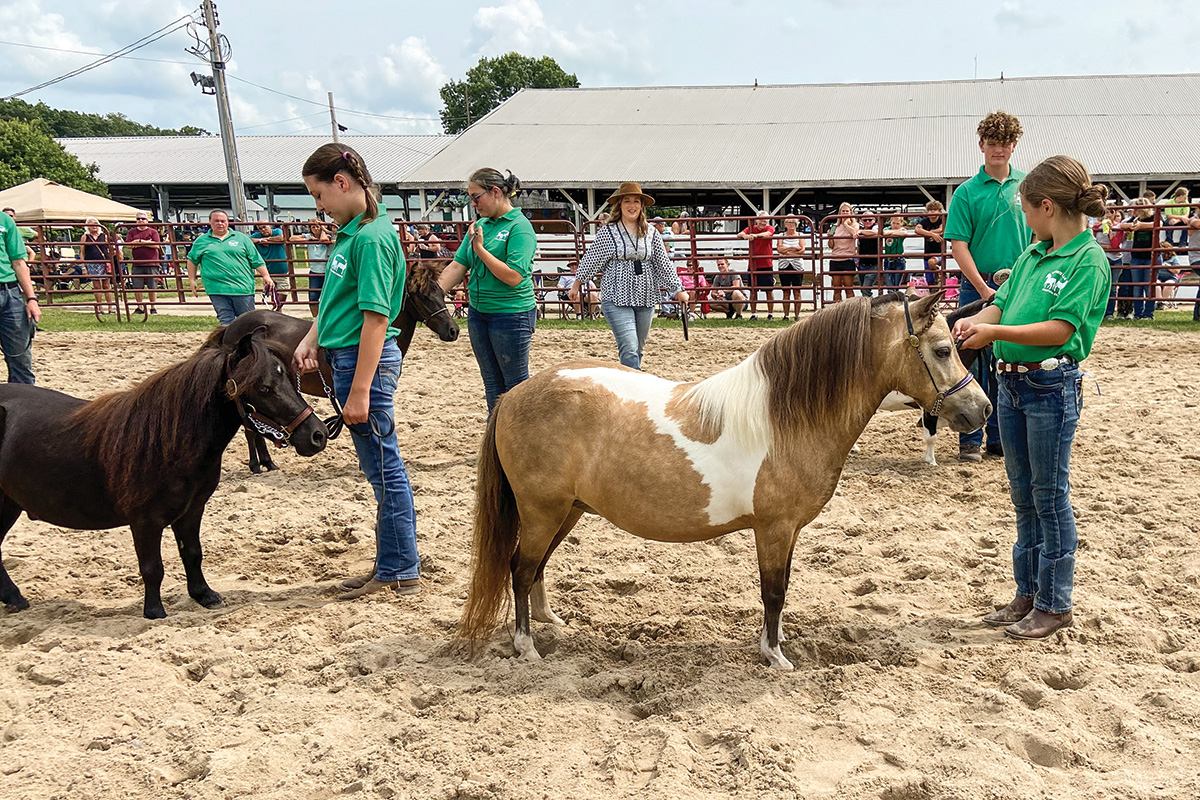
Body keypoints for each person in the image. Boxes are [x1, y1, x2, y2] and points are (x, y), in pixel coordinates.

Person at [953, 155, 1111, 640]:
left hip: (1049, 387)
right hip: (1015, 384)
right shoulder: (1032, 254)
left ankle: (1054, 603)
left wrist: (994, 329)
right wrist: (981, 319)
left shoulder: (1087, 260)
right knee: (1025, 495)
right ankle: (1028, 593)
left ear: (1047, 206)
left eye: (1025, 209)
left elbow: (1060, 329)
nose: (1023, 218)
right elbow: (1004, 299)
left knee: (1049, 495)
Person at [293, 143, 419, 601]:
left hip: (364, 362)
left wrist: (361, 389)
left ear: (342, 183)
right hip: (348, 357)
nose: (318, 206)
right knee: (379, 468)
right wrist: (312, 337)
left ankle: (400, 568)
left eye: (318, 194)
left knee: (385, 469)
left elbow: (376, 319)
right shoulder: (353, 233)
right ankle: (391, 565)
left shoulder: (370, 238)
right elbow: (337, 301)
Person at [944, 110, 1030, 463]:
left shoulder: (1028, 186)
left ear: (1014, 145)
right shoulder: (967, 192)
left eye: (1005, 143)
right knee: (973, 363)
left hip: (1021, 284)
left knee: (1012, 360)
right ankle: (971, 438)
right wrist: (982, 289)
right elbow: (959, 244)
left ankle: (1001, 437)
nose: (999, 150)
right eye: (993, 143)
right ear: (981, 145)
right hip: (978, 286)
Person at [438, 168, 537, 414]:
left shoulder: (520, 227)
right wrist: (433, 294)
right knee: (491, 382)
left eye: (476, 197)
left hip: (512, 314)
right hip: (480, 313)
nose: (473, 204)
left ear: (495, 192)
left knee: (515, 384)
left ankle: (516, 442)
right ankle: (496, 441)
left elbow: (514, 277)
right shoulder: (481, 225)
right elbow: (459, 264)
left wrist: (480, 250)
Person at [571, 182, 687, 369]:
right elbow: (592, 258)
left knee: (638, 348)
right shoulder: (608, 232)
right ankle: (634, 390)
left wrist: (678, 289)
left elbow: (662, 263)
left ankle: (630, 382)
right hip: (616, 296)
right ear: (620, 205)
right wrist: (577, 283)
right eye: (627, 201)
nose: (632, 205)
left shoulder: (651, 232)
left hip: (646, 295)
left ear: (641, 206)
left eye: (636, 201)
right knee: (630, 348)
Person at [186, 210, 275, 324]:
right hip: (216, 288)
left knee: (246, 322)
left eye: (223, 221)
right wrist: (192, 279)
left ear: (228, 222)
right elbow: (192, 260)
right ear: (210, 222)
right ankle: (228, 342)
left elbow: (256, 260)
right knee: (225, 321)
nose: (220, 223)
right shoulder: (201, 241)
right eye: (216, 221)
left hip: (242, 288)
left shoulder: (241, 238)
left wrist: (266, 276)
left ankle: (245, 342)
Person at [0, 208, 40, 384]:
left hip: (10, 293)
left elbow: (18, 261)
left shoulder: (5, 221)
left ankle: (25, 404)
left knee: (20, 357)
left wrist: (31, 299)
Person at [1119, 198, 1157, 319]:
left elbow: (1158, 224)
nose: (1134, 210)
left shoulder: (1153, 217)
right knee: (1137, 286)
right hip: (1136, 256)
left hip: (1150, 256)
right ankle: (1138, 313)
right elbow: (1122, 225)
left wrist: (1140, 226)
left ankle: (1148, 313)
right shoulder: (1135, 219)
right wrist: (1133, 225)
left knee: (1149, 286)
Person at [289, 218, 331, 318]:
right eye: (313, 227)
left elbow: (324, 240)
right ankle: (314, 318)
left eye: (318, 226)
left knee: (328, 296)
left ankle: (327, 317)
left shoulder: (327, 235)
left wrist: (322, 230)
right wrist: (307, 239)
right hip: (314, 271)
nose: (316, 228)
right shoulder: (308, 236)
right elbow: (291, 238)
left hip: (326, 271)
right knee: (313, 296)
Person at [738, 213, 776, 318]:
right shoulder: (751, 228)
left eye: (765, 220)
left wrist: (755, 236)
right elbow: (739, 234)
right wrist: (745, 236)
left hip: (766, 263)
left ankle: (770, 313)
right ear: (757, 220)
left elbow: (768, 234)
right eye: (761, 219)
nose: (763, 222)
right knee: (753, 290)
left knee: (769, 290)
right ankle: (754, 313)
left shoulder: (769, 228)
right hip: (753, 264)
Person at [124, 210, 161, 314]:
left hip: (152, 263)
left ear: (147, 220)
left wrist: (139, 242)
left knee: (152, 286)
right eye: (138, 219)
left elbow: (156, 245)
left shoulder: (153, 231)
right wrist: (147, 242)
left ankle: (153, 307)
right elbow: (129, 245)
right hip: (137, 263)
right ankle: (140, 307)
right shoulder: (131, 232)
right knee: (137, 286)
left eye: (143, 218)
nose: (140, 220)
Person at [80, 217, 116, 314]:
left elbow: (110, 248)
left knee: (107, 285)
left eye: (95, 223)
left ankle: (110, 307)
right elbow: (82, 252)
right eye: (91, 224)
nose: (94, 226)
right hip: (91, 262)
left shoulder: (104, 236)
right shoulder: (85, 237)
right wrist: (83, 266)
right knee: (96, 286)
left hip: (104, 262)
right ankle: (100, 307)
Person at [1097, 207, 1126, 320]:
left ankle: (1109, 313)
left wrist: (1109, 231)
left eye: (1112, 212)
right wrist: (1108, 247)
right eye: (1107, 211)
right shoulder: (1096, 227)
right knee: (1100, 286)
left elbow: (1115, 245)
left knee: (1112, 287)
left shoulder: (1118, 227)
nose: (1109, 214)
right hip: (1103, 257)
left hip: (1115, 259)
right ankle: (1099, 312)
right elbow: (1094, 242)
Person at [827, 202, 858, 303]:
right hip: (835, 258)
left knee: (848, 288)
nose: (845, 213)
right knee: (836, 289)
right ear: (839, 213)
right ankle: (836, 312)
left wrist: (845, 223)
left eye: (847, 211)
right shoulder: (834, 226)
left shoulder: (854, 224)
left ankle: (850, 311)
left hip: (848, 259)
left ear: (851, 212)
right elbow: (831, 245)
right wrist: (830, 237)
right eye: (843, 211)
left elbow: (854, 234)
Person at [775, 216, 806, 319]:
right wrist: (793, 248)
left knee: (797, 291)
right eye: (789, 223)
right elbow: (779, 249)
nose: (791, 225)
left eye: (793, 222)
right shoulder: (781, 235)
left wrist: (786, 252)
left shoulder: (800, 235)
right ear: (785, 224)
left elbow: (802, 250)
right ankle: (786, 315)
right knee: (786, 291)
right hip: (784, 265)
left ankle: (797, 315)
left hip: (797, 266)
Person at [252, 221, 291, 298]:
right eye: (260, 228)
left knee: (283, 291)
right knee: (271, 291)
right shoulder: (257, 235)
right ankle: (275, 308)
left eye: (264, 227)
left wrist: (267, 239)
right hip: (267, 270)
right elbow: (247, 240)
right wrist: (260, 240)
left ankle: (277, 308)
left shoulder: (276, 231)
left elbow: (281, 237)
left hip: (281, 269)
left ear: (269, 226)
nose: (263, 230)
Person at [914, 200, 946, 286]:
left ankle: (937, 276)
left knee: (932, 262)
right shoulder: (925, 221)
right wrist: (933, 234)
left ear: (939, 211)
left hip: (940, 253)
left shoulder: (942, 220)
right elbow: (917, 229)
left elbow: (941, 229)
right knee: (929, 282)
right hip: (927, 253)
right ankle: (936, 277)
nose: (932, 212)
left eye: (934, 209)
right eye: (930, 210)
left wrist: (926, 232)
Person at [856, 212, 881, 297]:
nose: (867, 221)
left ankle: (870, 305)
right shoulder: (860, 230)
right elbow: (859, 245)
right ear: (861, 221)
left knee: (865, 288)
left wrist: (860, 231)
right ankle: (868, 305)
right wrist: (857, 258)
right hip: (862, 263)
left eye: (870, 219)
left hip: (873, 263)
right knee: (863, 288)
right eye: (865, 220)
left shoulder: (876, 227)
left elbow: (875, 232)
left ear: (874, 220)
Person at [883, 214, 908, 287]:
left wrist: (892, 233)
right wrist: (896, 232)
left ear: (901, 223)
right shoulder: (886, 229)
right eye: (893, 223)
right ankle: (891, 295)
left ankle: (895, 295)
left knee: (897, 285)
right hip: (888, 259)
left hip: (899, 259)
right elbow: (884, 233)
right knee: (889, 284)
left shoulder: (903, 229)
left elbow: (904, 233)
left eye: (898, 223)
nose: (895, 225)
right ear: (890, 222)